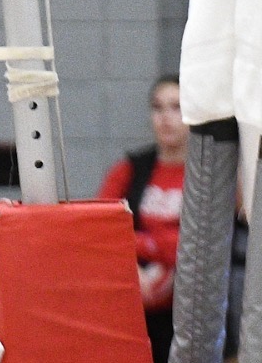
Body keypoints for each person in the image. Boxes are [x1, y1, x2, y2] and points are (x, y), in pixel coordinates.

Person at [97, 76, 186, 363]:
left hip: (187, 311)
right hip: (132, 307)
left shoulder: (207, 175)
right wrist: (130, 264)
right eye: (158, 108)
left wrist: (139, 243)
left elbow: (194, 248)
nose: (166, 118)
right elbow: (98, 232)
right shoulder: (130, 169)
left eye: (176, 107)